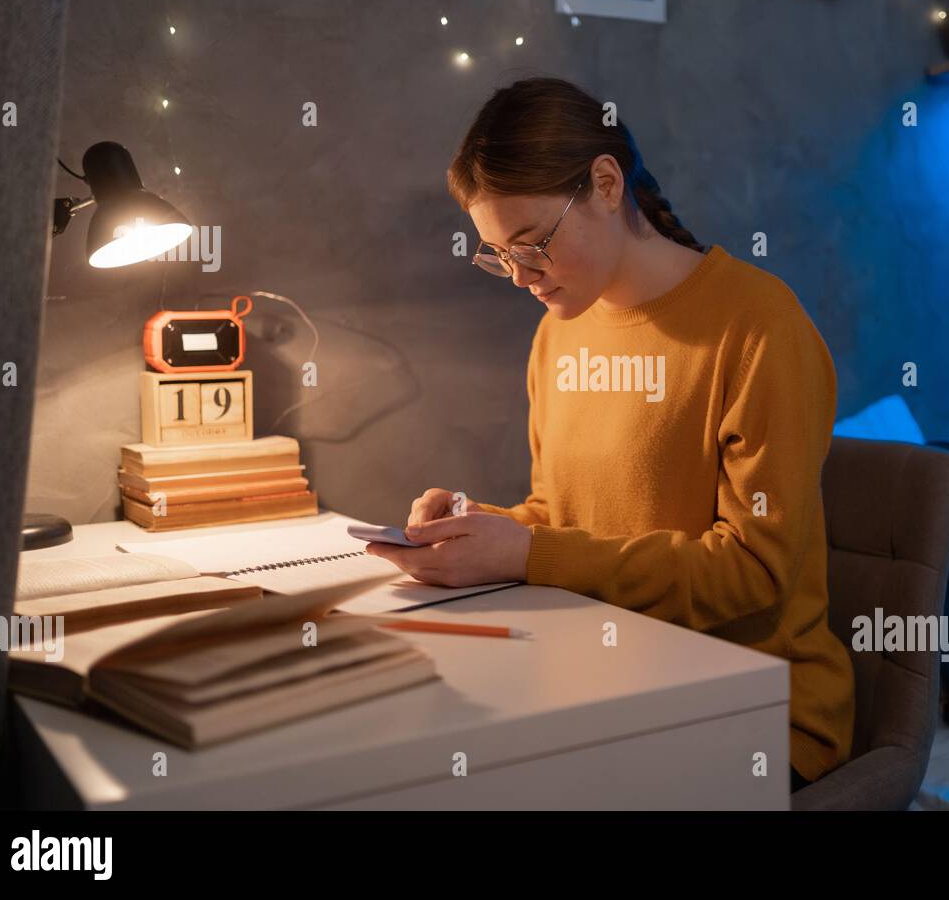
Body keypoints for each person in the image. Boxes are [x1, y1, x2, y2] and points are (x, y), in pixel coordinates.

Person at [366, 76, 854, 790]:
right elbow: (563, 520)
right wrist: (480, 531)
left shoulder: (758, 327)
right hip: (602, 673)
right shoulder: (558, 334)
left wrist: (531, 551)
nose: (517, 276)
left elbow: (755, 573)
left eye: (531, 245)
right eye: (499, 255)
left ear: (604, 183)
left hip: (754, 710)